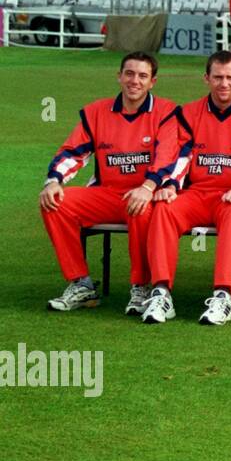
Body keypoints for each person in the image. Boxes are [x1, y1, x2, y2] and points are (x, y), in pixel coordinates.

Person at [138, 51, 231, 325]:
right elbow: (182, 154)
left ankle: (222, 296)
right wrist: (172, 184)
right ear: (206, 79)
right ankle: (161, 292)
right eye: (218, 77)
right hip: (198, 193)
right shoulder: (188, 113)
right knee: (164, 207)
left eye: (229, 78)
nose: (224, 84)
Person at [40, 52, 175, 315]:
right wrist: (54, 180)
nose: (135, 81)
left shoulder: (166, 112)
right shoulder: (97, 112)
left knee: (140, 206)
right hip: (108, 195)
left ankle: (141, 286)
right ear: (119, 76)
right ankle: (81, 283)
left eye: (142, 76)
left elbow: (168, 155)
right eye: (129, 74)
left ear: (152, 82)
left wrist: (148, 187)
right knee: (54, 203)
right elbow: (72, 152)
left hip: (148, 195)